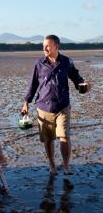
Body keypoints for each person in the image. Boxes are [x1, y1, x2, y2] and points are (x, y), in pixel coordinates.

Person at [21, 35, 91, 175]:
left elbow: (77, 79)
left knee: (64, 136)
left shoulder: (66, 62)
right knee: (48, 140)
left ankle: (66, 166)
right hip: (43, 107)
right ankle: (52, 165)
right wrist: (26, 102)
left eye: (48, 45)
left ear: (56, 47)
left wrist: (85, 86)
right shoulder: (39, 63)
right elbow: (33, 84)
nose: (44, 48)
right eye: (43, 46)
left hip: (62, 106)